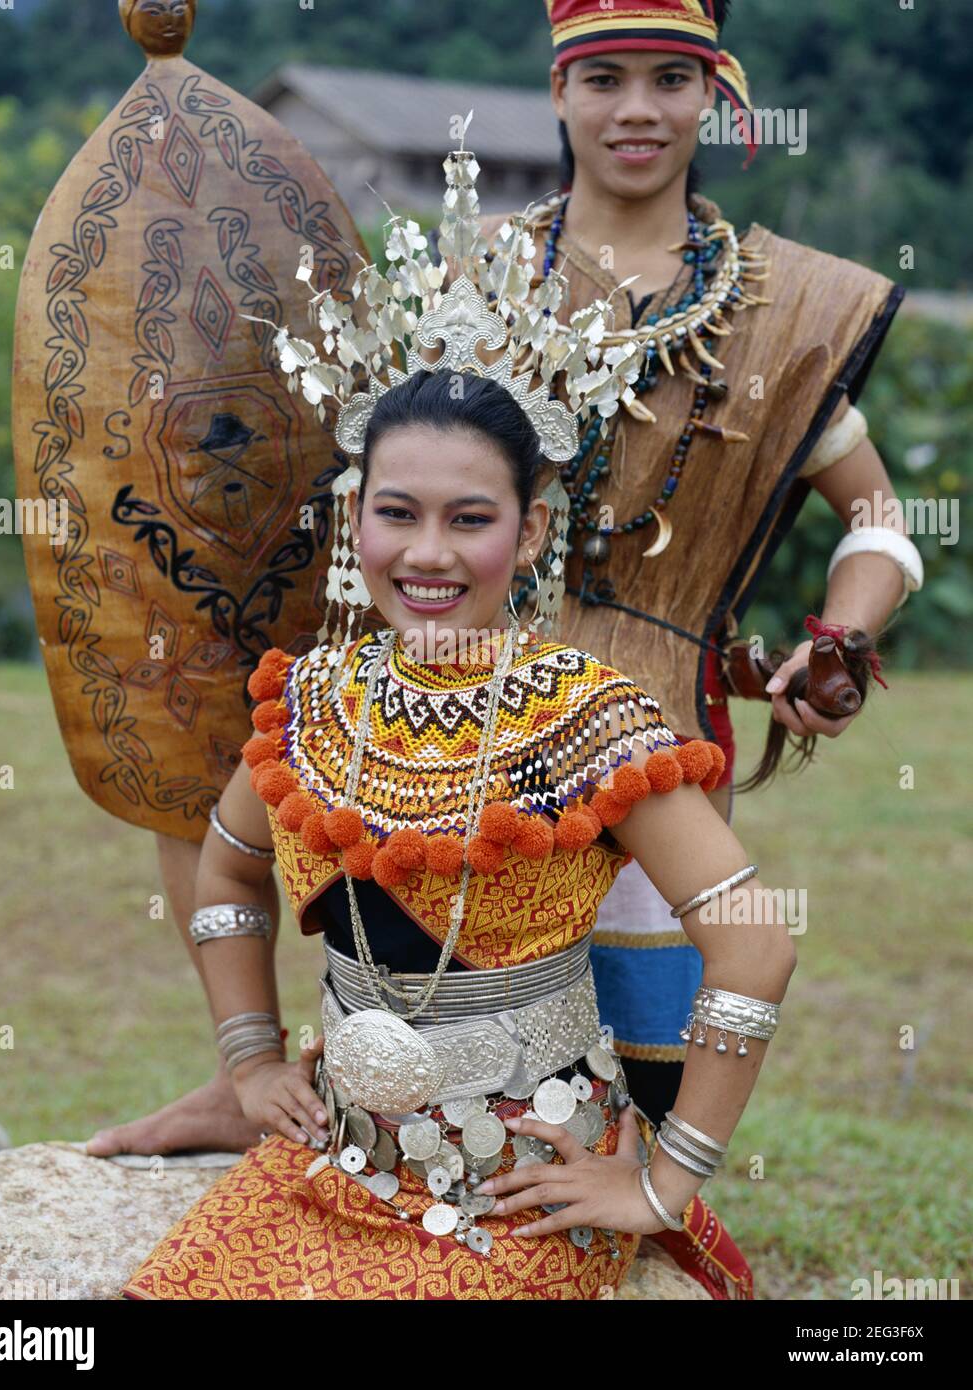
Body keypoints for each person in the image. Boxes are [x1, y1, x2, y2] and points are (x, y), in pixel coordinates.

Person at [120, 156, 791, 1298]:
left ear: (528, 535)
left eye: (468, 519)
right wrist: (248, 1056)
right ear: (356, 518)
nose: (426, 554)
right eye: (398, 513)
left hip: (521, 1182)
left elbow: (756, 940)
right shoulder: (317, 701)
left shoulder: (589, 718)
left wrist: (664, 1179)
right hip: (330, 1155)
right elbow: (231, 863)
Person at [448, 0, 923, 1126]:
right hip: (464, 723)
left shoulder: (784, 310)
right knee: (452, 1078)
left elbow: (879, 520)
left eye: (670, 78)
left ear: (715, 93)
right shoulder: (474, 285)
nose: (637, 109)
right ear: (559, 90)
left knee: (642, 1078)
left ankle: (653, 1207)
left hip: (662, 734)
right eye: (604, 78)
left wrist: (838, 637)